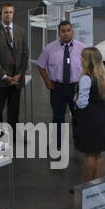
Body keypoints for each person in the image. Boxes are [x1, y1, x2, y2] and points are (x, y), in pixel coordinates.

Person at [35, 19, 84, 153]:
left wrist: (83, 85)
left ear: (72, 31)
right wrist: (47, 81)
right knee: (58, 116)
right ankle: (56, 143)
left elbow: (88, 67)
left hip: (75, 88)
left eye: (68, 31)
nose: (66, 34)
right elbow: (40, 65)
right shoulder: (49, 48)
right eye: (63, 31)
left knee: (77, 116)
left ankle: (79, 141)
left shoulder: (82, 48)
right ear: (59, 33)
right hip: (57, 88)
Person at [75, 47, 105, 186]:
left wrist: (76, 99)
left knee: (89, 154)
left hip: (90, 118)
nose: (81, 60)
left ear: (89, 61)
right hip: (102, 115)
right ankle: (96, 185)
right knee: (98, 153)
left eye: (83, 58)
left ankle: (85, 186)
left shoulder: (86, 78)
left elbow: (82, 104)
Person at [0, 2, 27, 127]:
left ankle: (14, 134)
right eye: (5, 12)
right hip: (1, 80)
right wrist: (5, 76)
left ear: (13, 14)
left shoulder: (21, 31)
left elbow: (25, 55)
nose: (8, 15)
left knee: (14, 110)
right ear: (1, 14)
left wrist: (20, 74)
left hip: (17, 80)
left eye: (10, 12)